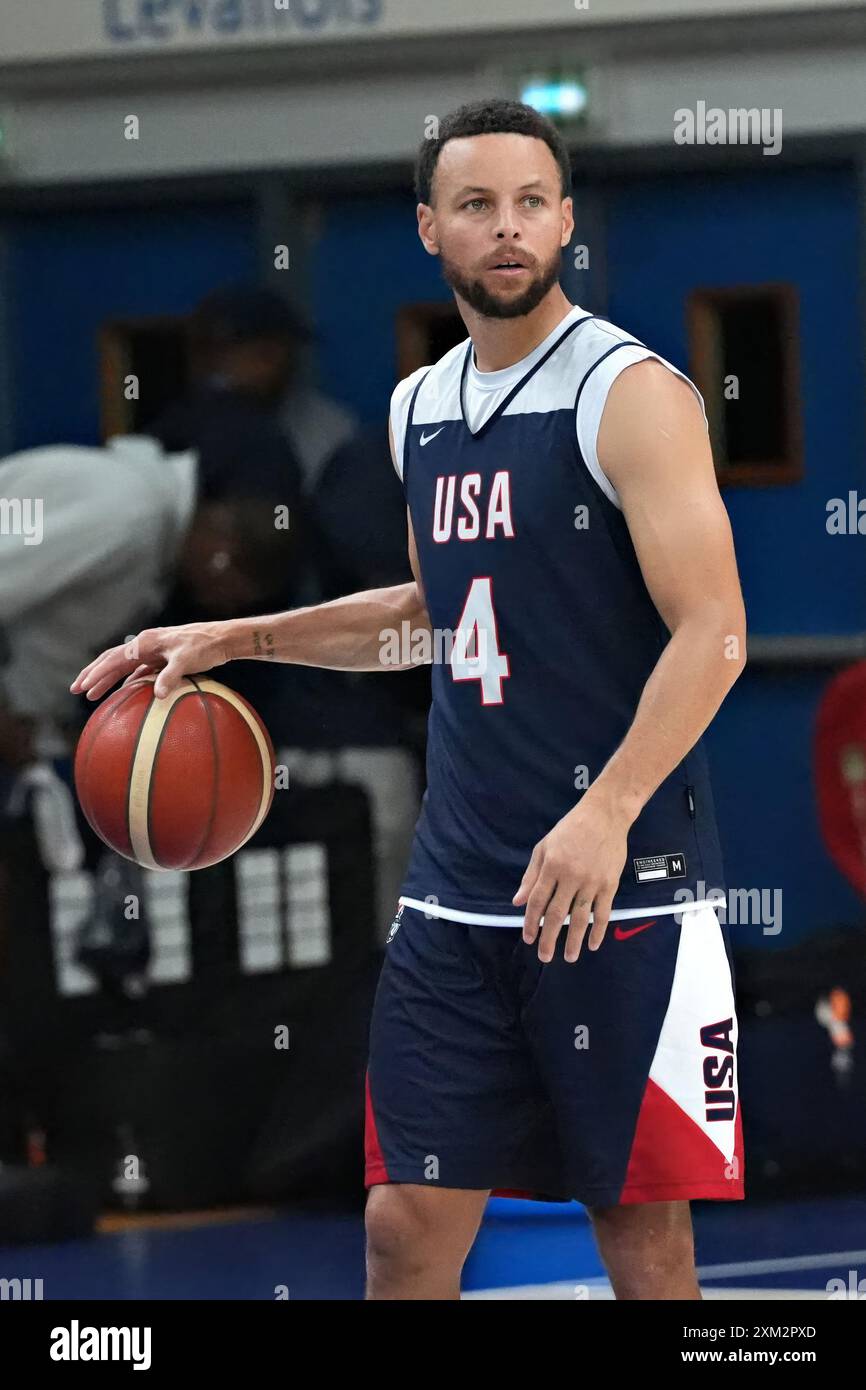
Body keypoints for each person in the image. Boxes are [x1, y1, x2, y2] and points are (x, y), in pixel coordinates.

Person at [71, 97, 748, 1301]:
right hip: (455, 892)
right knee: (401, 1225)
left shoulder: (629, 393)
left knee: (640, 1239)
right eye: (477, 206)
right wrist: (238, 635)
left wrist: (606, 814)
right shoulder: (419, 407)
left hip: (621, 886)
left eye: (531, 204)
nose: (507, 230)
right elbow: (434, 616)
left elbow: (716, 631)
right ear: (429, 228)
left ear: (565, 223)